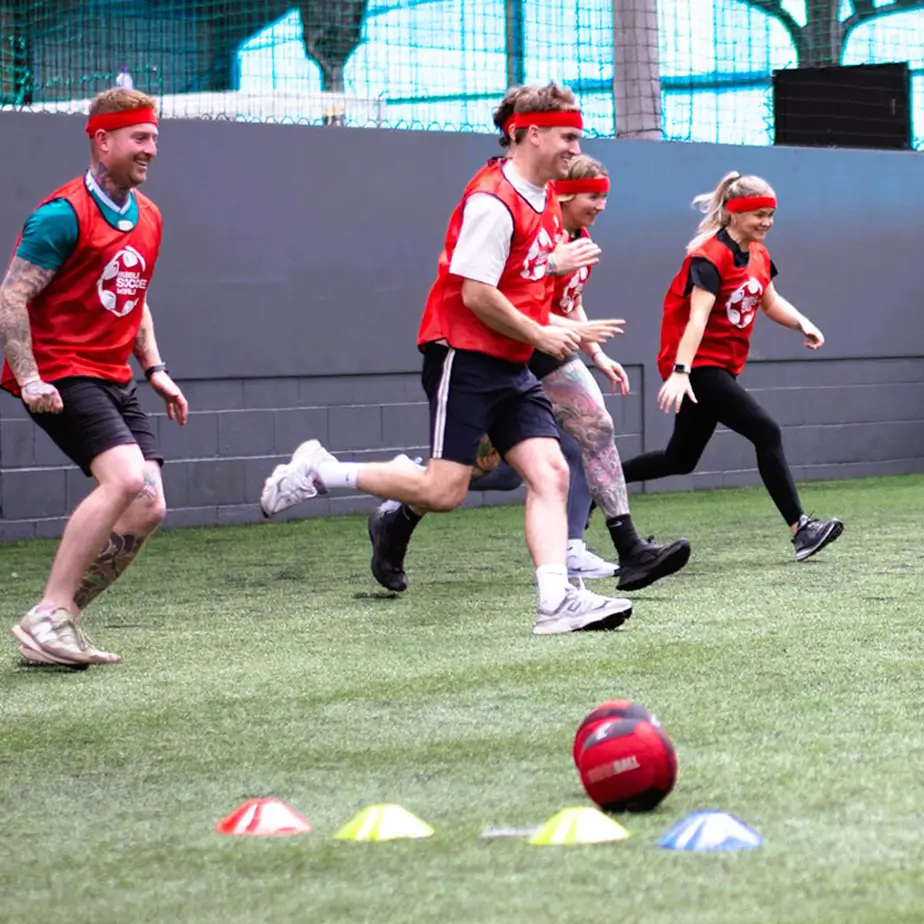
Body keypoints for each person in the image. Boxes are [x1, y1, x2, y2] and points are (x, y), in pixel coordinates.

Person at [258, 82, 632, 635]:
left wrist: (563, 321)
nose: (576, 148)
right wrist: (544, 332)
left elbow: (522, 286)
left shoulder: (547, 202)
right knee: (443, 490)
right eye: (568, 136)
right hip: (465, 356)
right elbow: (478, 295)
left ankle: (555, 603)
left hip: (512, 361)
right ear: (531, 134)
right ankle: (320, 470)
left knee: (550, 471)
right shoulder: (491, 200)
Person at [367, 154, 690, 593]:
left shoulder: (580, 241)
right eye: (595, 196)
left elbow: (566, 302)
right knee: (481, 470)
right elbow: (508, 298)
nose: (602, 206)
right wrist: (560, 301)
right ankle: (397, 516)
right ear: (567, 193)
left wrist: (595, 351)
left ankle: (614, 547)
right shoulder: (532, 224)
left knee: (591, 433)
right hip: (507, 341)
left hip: (547, 343)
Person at [2, 88, 189, 669]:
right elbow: (12, 297)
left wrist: (154, 368)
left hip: (113, 374)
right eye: (139, 138)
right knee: (127, 478)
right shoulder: (61, 215)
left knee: (149, 505)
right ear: (102, 141)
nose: (151, 149)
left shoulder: (149, 217)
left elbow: (133, 294)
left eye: (155, 138)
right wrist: (29, 378)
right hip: (60, 370)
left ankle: (59, 623)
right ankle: (48, 615)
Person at [620, 173, 842, 560]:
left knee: (680, 460)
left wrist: (801, 322)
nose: (767, 223)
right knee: (766, 432)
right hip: (701, 366)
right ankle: (801, 530)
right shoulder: (710, 256)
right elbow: (697, 319)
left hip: (720, 365)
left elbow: (769, 302)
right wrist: (681, 371)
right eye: (759, 215)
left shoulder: (758, 253)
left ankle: (600, 482)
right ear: (734, 214)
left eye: (771, 215)